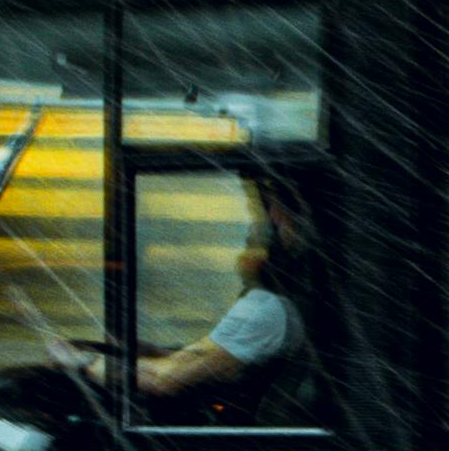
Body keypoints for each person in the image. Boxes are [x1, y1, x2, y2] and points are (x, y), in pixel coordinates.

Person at [136, 160, 324, 422]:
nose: (251, 230)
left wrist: (84, 363)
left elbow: (163, 380)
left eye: (257, 216)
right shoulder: (287, 305)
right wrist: (150, 353)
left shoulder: (268, 309)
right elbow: (199, 361)